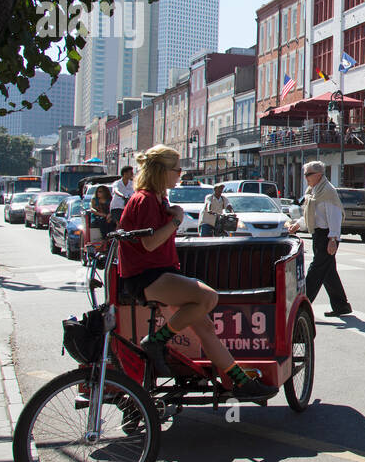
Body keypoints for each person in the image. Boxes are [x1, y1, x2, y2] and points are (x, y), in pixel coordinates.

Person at [118, 146, 276, 401]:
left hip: (157, 274)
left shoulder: (157, 198)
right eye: (177, 169)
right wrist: (176, 220)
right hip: (146, 276)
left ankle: (240, 382)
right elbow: (149, 243)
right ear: (161, 171)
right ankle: (155, 341)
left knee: (206, 329)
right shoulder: (145, 199)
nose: (180, 174)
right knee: (207, 298)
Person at [286, 161, 351, 318]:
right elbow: (311, 214)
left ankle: (301, 306)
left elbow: (334, 217)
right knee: (328, 273)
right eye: (305, 174)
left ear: (318, 175)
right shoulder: (313, 190)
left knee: (316, 271)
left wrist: (333, 239)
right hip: (319, 234)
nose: (305, 177)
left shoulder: (327, 191)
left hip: (327, 235)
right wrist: (297, 225)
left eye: (308, 174)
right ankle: (341, 305)